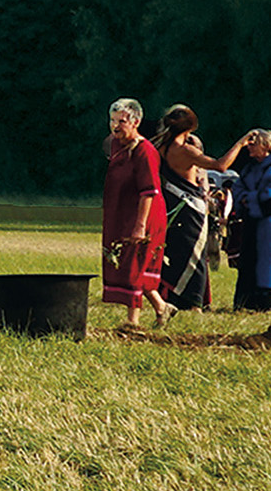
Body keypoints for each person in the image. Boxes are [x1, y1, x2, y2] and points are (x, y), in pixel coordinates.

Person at [152, 105, 248, 313]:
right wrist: (240, 144)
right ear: (188, 129)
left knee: (176, 252)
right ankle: (194, 302)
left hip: (171, 206)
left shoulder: (160, 147)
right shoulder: (186, 151)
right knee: (195, 255)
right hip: (191, 209)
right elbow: (221, 165)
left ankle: (173, 297)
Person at [102, 97, 171, 329]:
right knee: (126, 262)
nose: (116, 126)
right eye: (113, 120)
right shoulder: (116, 145)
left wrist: (140, 226)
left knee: (134, 264)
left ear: (136, 122)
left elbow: (148, 192)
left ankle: (133, 322)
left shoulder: (145, 152)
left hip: (145, 215)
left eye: (122, 121)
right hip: (122, 212)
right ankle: (163, 308)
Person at [228, 129, 271, 312]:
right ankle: (246, 302)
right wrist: (244, 199)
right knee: (247, 260)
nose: (250, 147)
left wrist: (251, 199)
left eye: (253, 144)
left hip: (270, 225)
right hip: (251, 221)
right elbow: (238, 187)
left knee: (269, 261)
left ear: (266, 146)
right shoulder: (249, 169)